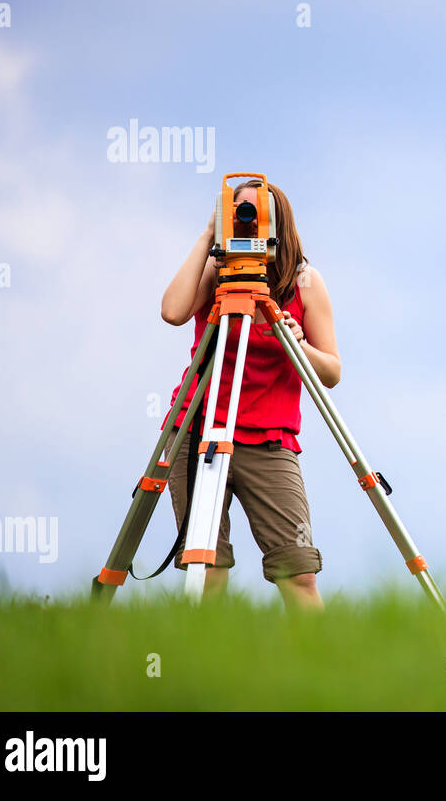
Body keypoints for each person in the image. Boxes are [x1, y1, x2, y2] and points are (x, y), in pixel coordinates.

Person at [158, 179, 341, 611]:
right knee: (209, 571)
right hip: (199, 429)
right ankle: (205, 668)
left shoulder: (304, 282)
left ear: (280, 222)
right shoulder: (217, 271)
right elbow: (172, 312)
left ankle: (325, 668)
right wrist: (208, 237)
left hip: (270, 441)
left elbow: (331, 371)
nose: (248, 221)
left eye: (257, 213)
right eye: (238, 212)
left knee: (298, 572)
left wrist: (298, 344)